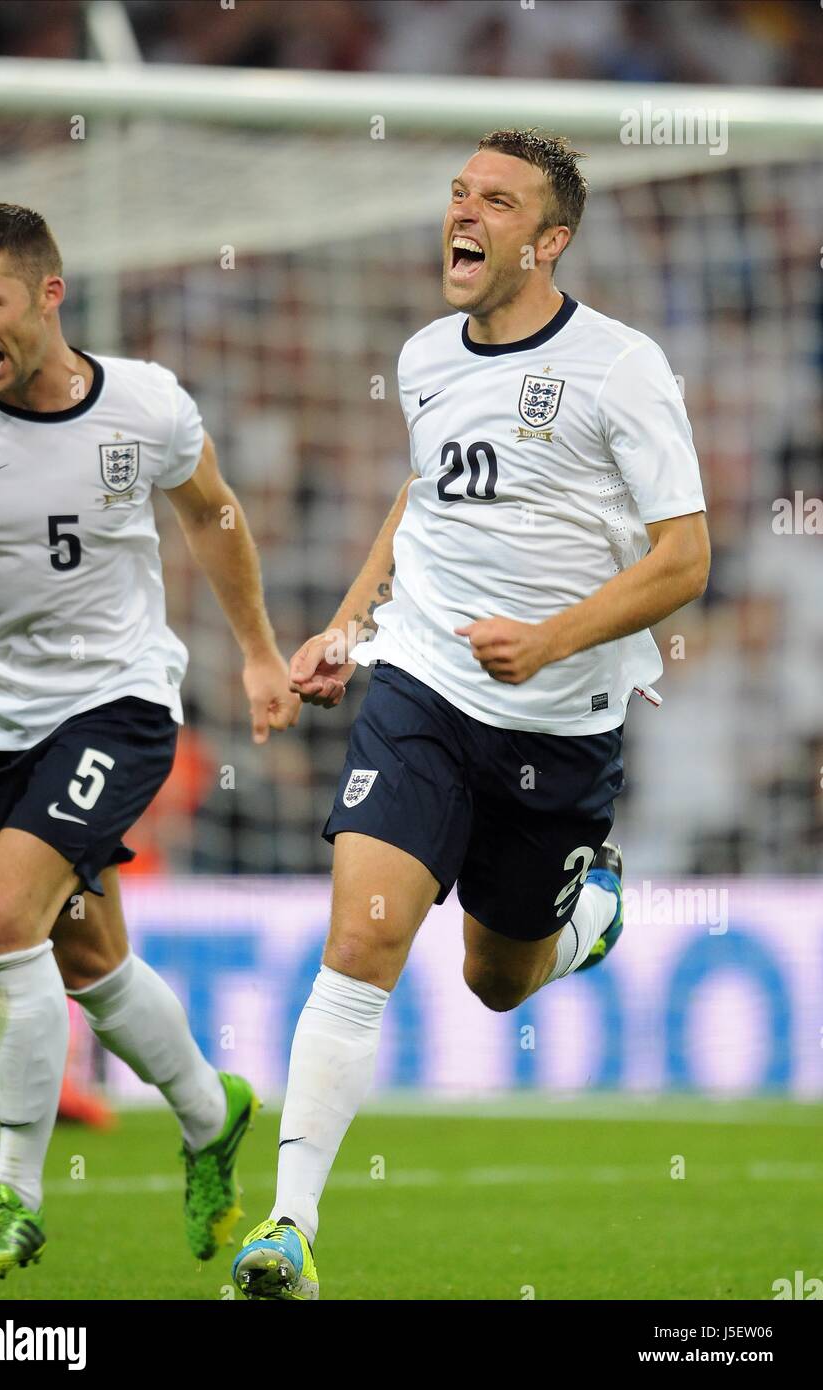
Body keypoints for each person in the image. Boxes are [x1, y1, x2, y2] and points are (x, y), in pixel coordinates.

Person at [232, 129, 710, 1300]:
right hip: (425, 691)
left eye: (497, 200)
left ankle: (578, 927)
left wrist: (549, 640)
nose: (465, 212)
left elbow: (686, 556)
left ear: (548, 242)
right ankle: (287, 1226)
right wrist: (351, 624)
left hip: (562, 719)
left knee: (496, 979)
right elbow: (424, 492)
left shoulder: (621, 367)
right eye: (458, 192)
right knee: (362, 940)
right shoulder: (425, 356)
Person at [0, 203, 299, 1280]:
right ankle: (209, 1112)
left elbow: (214, 514)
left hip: (118, 704)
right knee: (86, 957)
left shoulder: (143, 406)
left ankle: (14, 1193)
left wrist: (260, 654)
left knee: (2, 907)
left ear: (50, 294)